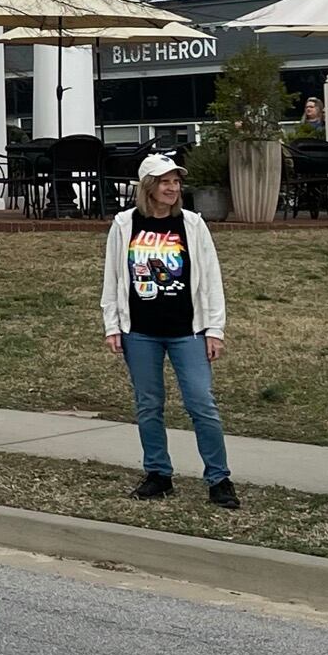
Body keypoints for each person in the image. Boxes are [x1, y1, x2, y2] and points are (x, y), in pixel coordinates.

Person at [100, 153, 238, 507]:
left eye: (176, 182)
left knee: (201, 404)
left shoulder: (192, 224)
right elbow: (113, 278)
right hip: (139, 332)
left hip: (187, 331)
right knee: (149, 405)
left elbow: (211, 278)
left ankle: (219, 479)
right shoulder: (124, 224)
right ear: (149, 187)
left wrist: (215, 329)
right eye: (165, 182)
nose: (172, 188)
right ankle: (158, 474)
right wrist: (112, 325)